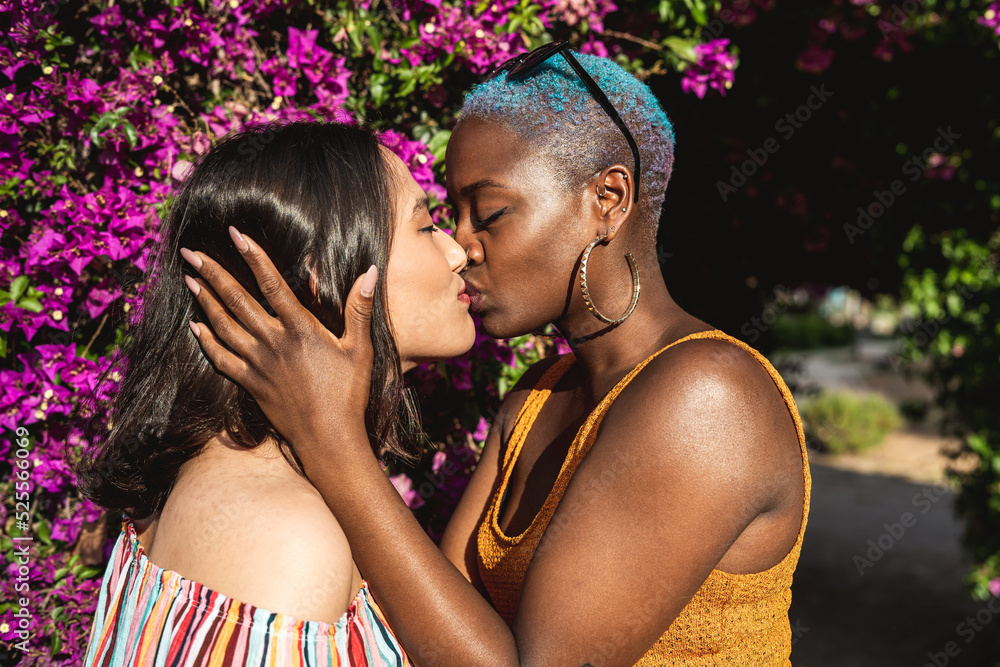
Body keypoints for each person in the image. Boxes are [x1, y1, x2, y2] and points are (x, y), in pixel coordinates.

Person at [184, 44, 812, 665]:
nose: (462, 246)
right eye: (453, 214)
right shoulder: (538, 396)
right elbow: (433, 628)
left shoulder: (708, 395)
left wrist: (332, 439)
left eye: (489, 213)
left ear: (608, 199)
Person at [78, 120, 477, 665]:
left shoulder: (199, 475)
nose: (457, 252)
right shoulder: (286, 540)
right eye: (425, 227)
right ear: (320, 274)